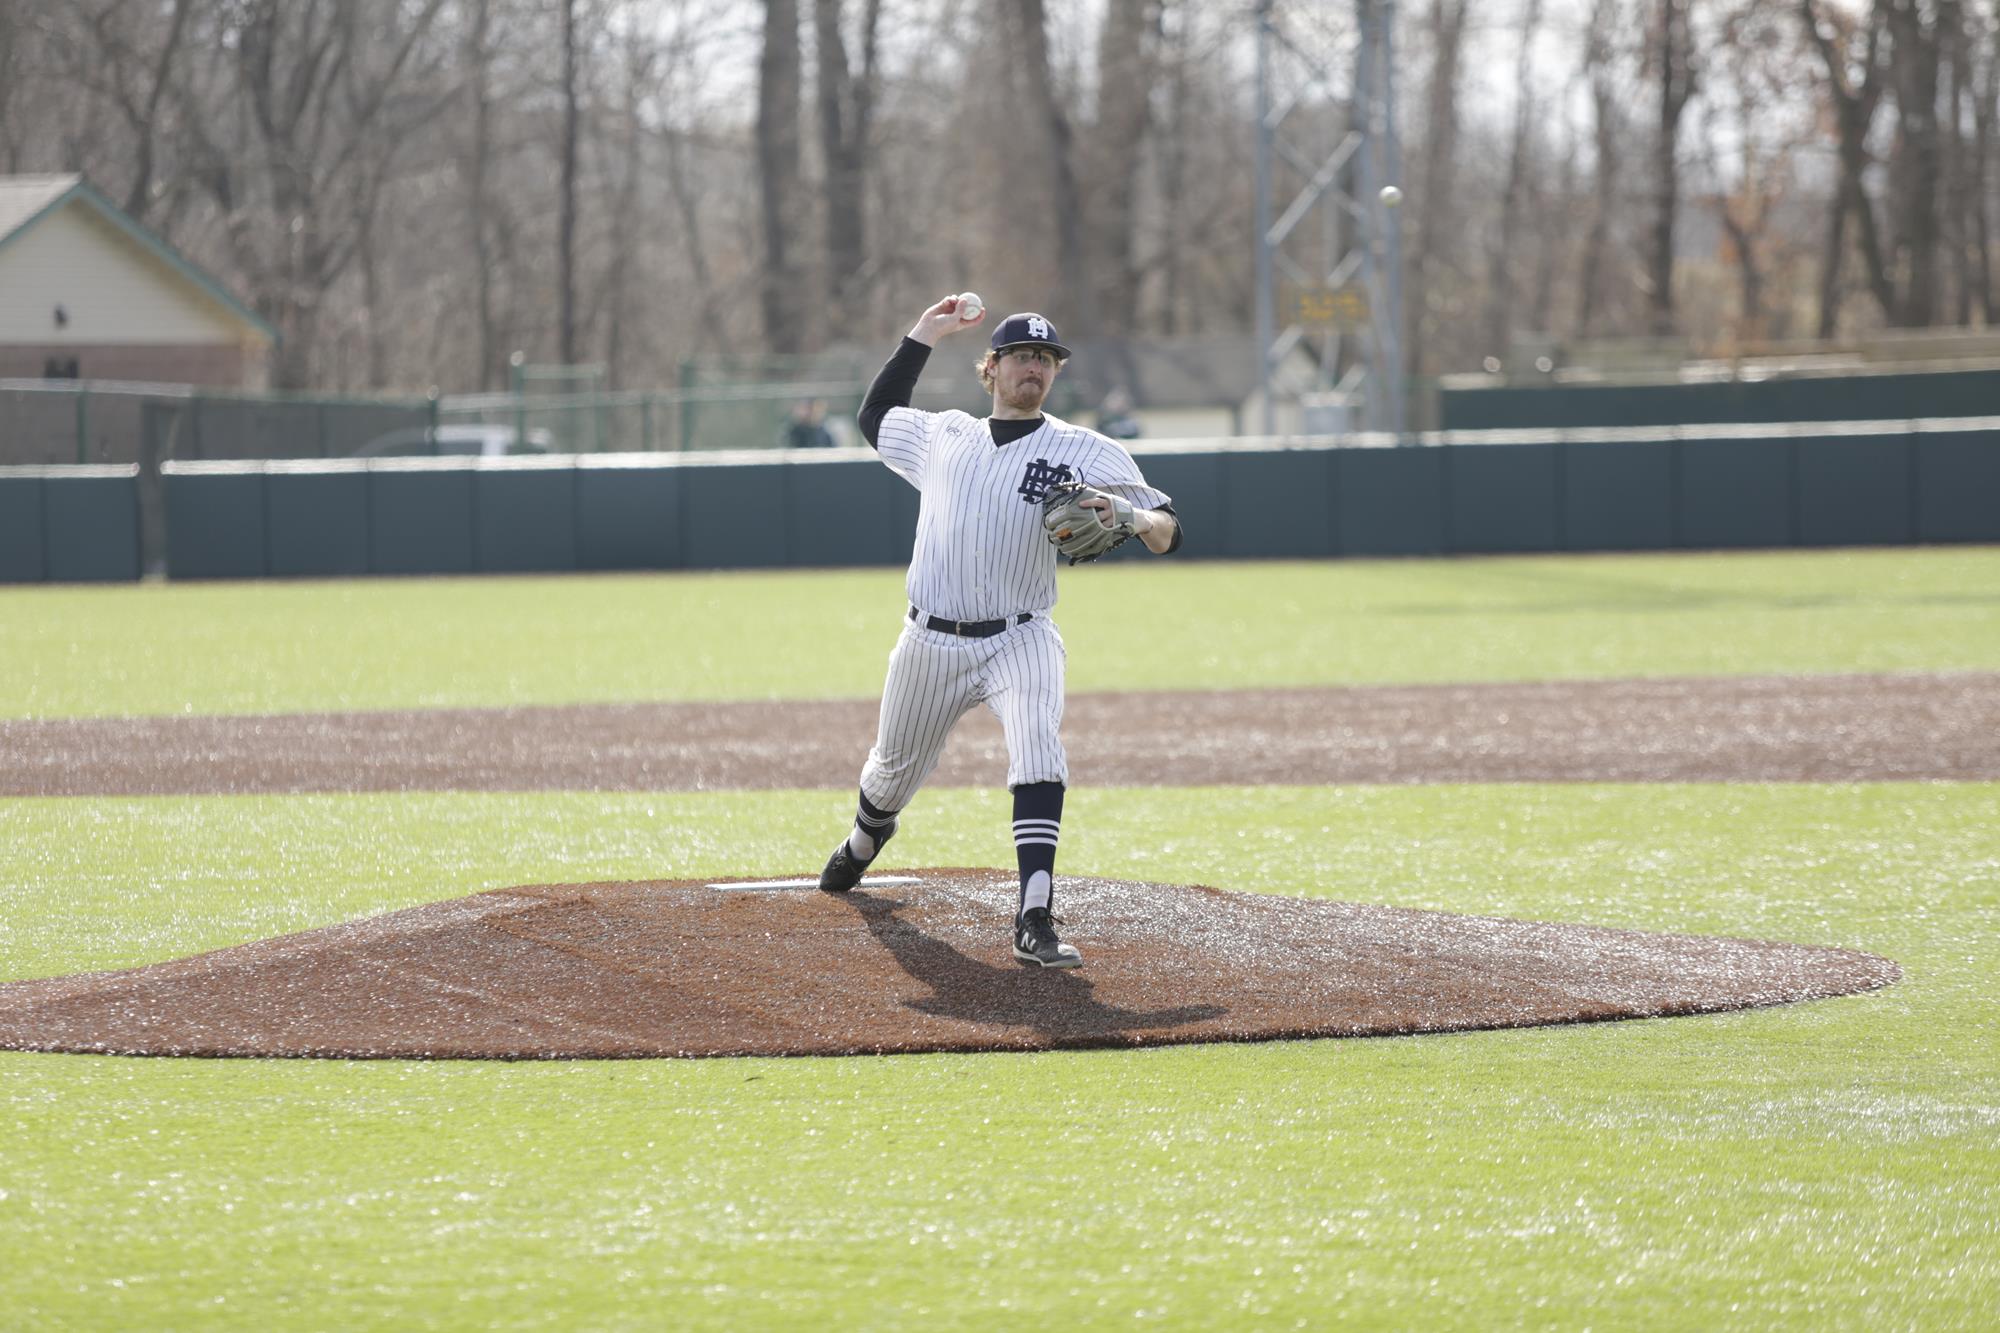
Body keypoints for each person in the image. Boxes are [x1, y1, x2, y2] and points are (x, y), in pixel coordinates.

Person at [817, 296, 1183, 969]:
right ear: (991, 367)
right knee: (891, 773)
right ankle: (865, 841)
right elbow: (875, 417)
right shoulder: (945, 434)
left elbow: (1169, 530)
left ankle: (1034, 915)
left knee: (1039, 747)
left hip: (1022, 634)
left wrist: (1127, 516)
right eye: (1022, 356)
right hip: (930, 640)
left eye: (1046, 359)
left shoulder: (1084, 448)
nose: (1035, 368)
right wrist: (924, 333)